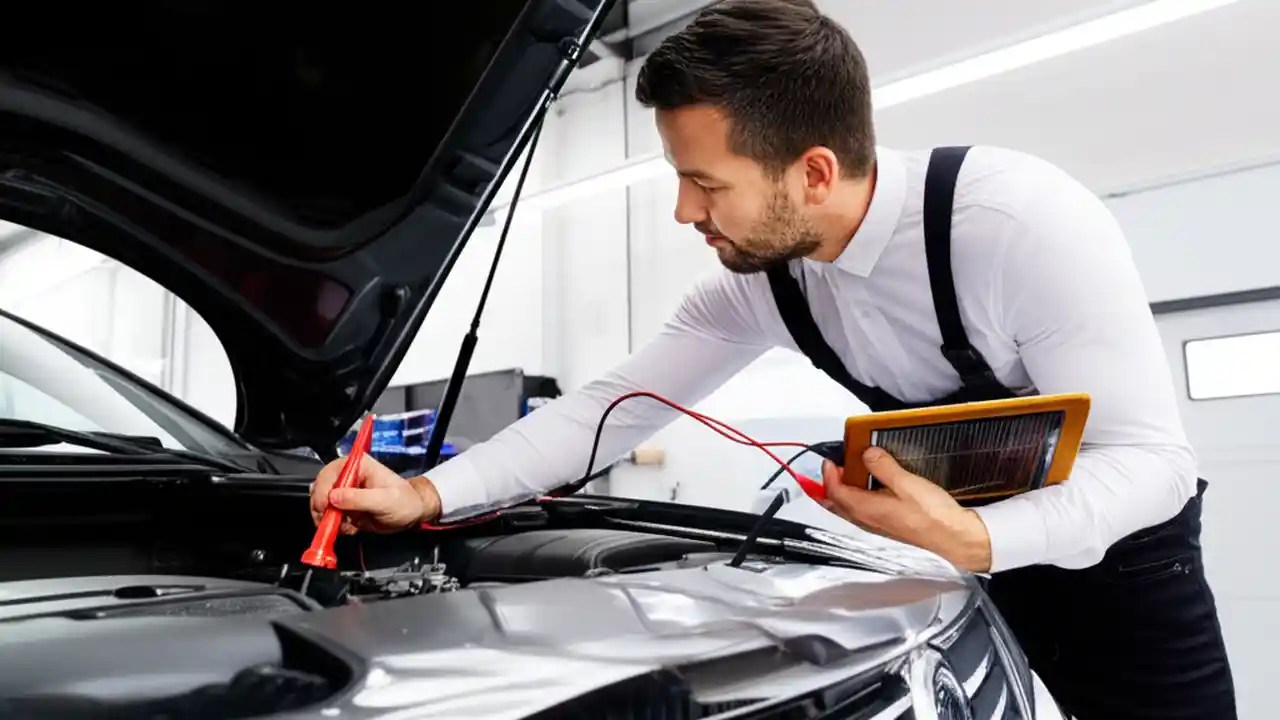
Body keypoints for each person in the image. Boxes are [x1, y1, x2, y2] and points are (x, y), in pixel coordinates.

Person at [309, 0, 1236, 716]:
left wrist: (981, 538)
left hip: (1121, 569)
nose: (684, 213)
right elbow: (618, 403)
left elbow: (1153, 462)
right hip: (963, 564)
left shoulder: (1014, 225)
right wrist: (428, 494)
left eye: (705, 183)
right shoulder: (765, 279)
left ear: (816, 172)